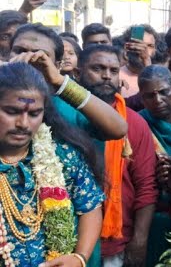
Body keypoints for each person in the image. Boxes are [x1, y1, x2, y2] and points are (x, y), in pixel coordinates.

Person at [0, 62, 105, 267]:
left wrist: (80, 257)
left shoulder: (61, 155)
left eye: (33, 114)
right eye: (12, 111)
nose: (23, 123)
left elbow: (91, 207)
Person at [79, 44, 158, 267]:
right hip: (69, 236)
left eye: (113, 71)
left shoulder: (133, 122)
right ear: (78, 71)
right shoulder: (63, 115)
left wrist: (140, 240)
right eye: (98, 68)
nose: (106, 76)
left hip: (116, 240)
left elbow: (146, 185)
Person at [137, 65, 171, 265]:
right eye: (149, 96)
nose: (157, 100)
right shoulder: (138, 123)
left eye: (163, 92)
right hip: (151, 216)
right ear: (141, 98)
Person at [119, 24, 156, 99]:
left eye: (150, 46)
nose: (145, 50)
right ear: (128, 47)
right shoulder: (116, 75)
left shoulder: (161, 76)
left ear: (155, 50)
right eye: (140, 45)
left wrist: (147, 61)